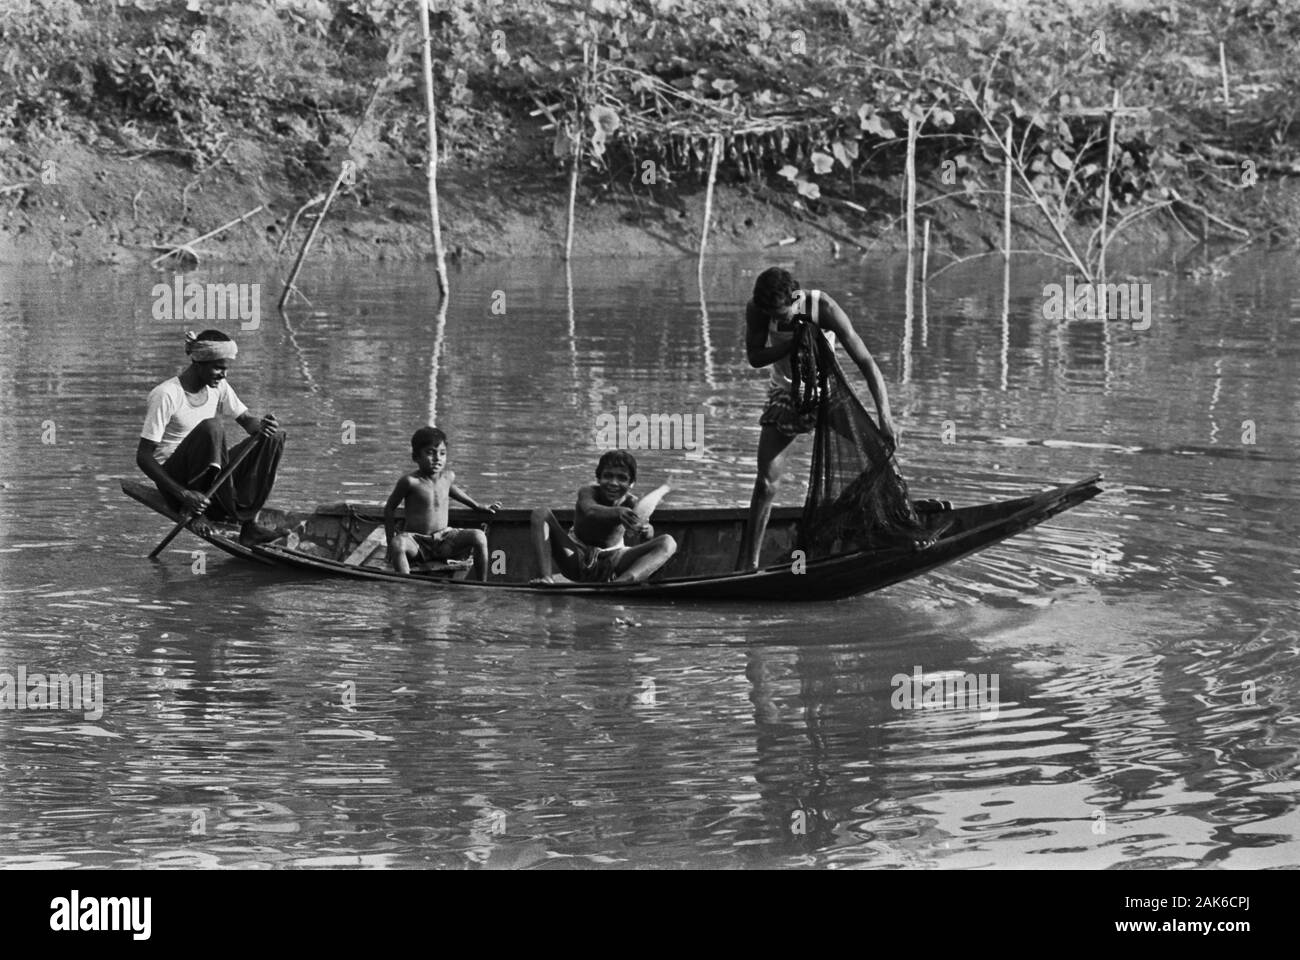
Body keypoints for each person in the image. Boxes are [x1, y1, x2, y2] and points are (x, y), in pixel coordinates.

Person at [737, 267, 900, 570]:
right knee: (766, 482)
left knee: (880, 456)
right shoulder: (757, 309)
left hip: (828, 392)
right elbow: (755, 356)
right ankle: (749, 564)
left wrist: (885, 417)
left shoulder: (823, 307)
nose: (780, 319)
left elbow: (866, 362)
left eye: (784, 313)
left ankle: (889, 528)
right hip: (786, 393)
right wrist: (790, 343)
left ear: (796, 298)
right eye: (774, 314)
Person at [136, 329, 286, 546]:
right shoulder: (167, 394)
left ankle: (247, 523)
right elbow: (143, 457)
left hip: (208, 478)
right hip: (178, 481)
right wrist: (184, 494)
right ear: (199, 362)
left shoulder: (218, 386)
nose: (223, 375)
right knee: (212, 427)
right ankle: (195, 512)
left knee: (272, 438)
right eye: (218, 368)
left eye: (225, 369)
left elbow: (246, 420)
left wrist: (263, 426)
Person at [530, 450, 677, 585]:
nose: (613, 483)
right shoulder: (588, 492)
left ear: (631, 483)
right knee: (541, 513)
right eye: (608, 476)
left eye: (622, 478)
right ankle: (546, 579)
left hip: (614, 560)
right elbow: (590, 511)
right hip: (575, 558)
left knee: (668, 542)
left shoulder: (632, 503)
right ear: (599, 479)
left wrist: (646, 531)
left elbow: (642, 538)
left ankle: (622, 582)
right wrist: (618, 513)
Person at [384, 426, 501, 579]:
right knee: (398, 544)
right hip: (417, 543)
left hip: (445, 540)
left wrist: (477, 506)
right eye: (430, 453)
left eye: (442, 453)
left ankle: (482, 583)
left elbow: (452, 490)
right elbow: (389, 509)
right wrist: (389, 543)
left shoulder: (448, 477)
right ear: (416, 457)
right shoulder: (409, 482)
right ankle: (405, 586)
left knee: (479, 536)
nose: (437, 458)